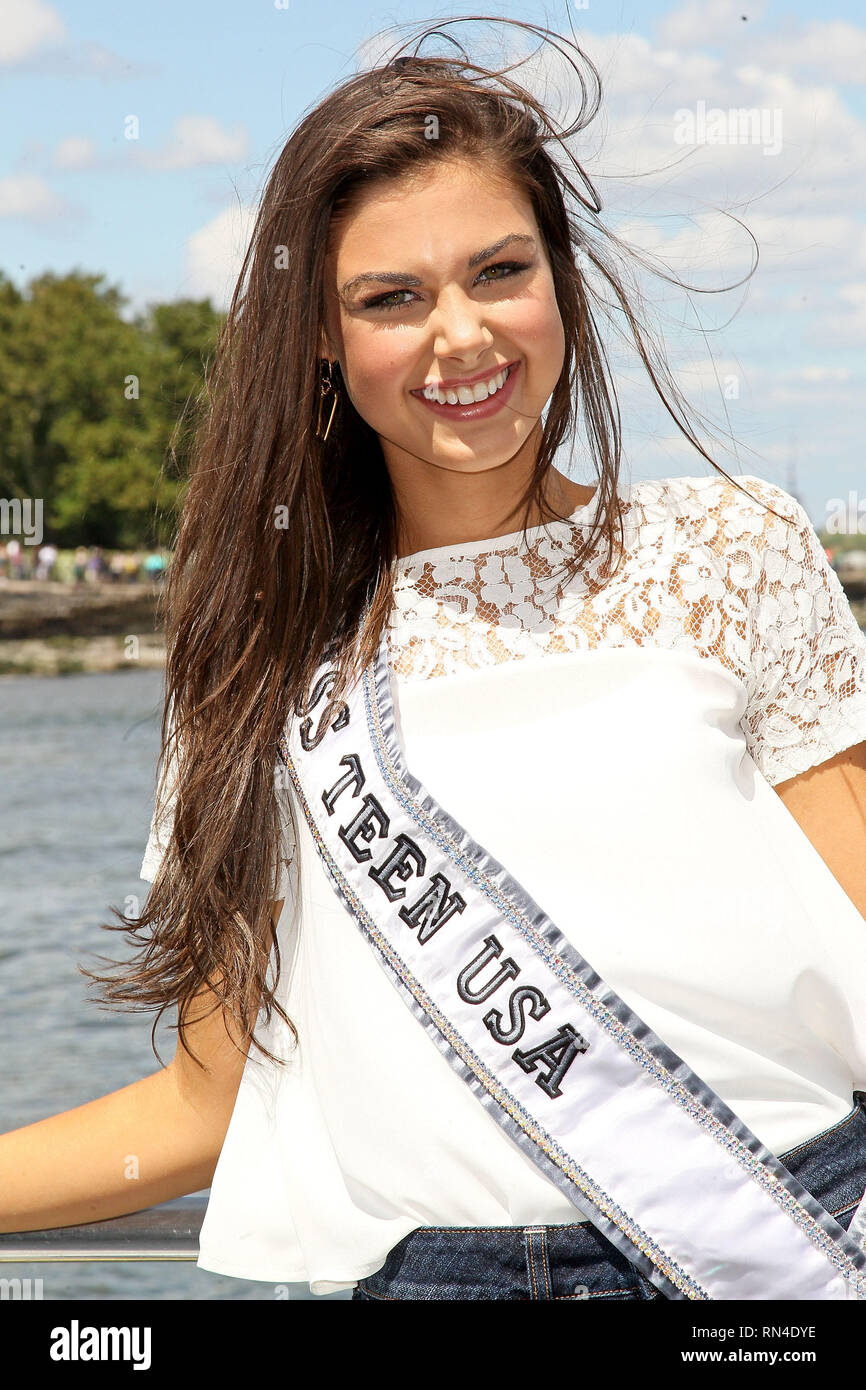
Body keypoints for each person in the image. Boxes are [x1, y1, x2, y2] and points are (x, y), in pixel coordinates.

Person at [1, 18, 865, 1302]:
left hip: (785, 1257)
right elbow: (206, 1097)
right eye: (389, 299)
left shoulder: (730, 550)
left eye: (497, 271)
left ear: (558, 281)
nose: (459, 336)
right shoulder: (259, 662)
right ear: (322, 337)